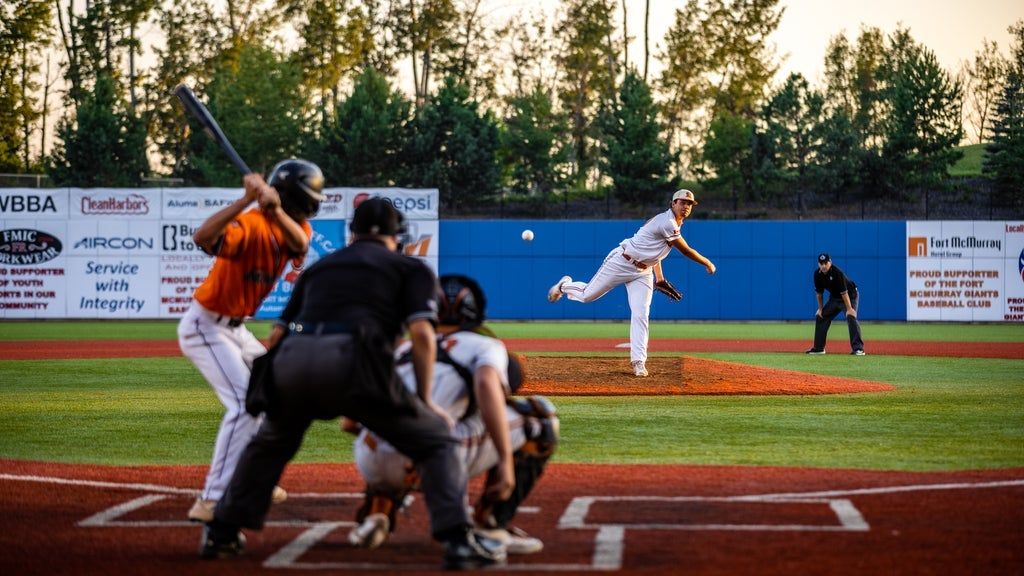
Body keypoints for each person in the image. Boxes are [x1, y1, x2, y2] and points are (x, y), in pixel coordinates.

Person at [198, 199, 506, 570]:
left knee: (270, 444)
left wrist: (277, 389)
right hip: (355, 362)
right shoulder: (410, 267)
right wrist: (424, 400)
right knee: (436, 441)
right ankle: (458, 541)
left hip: (293, 361)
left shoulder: (321, 268)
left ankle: (222, 532)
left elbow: (279, 335)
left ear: (352, 233)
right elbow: (423, 335)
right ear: (397, 235)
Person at [345, 274, 558, 555]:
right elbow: (485, 385)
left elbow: (349, 422)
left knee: (399, 430)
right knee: (540, 418)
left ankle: (379, 508)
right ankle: (490, 522)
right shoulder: (483, 345)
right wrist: (505, 462)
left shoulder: (406, 349)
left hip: (368, 456)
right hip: (429, 461)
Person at [178, 159, 322, 522]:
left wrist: (273, 209)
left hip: (236, 329)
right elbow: (202, 238)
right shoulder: (250, 224)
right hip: (205, 326)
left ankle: (255, 477)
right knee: (244, 405)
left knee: (275, 392)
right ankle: (210, 499)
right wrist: (245, 201)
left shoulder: (294, 227)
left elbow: (299, 242)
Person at [546, 188, 716, 377]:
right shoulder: (667, 222)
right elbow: (686, 251)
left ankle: (638, 362)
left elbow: (655, 252)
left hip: (643, 272)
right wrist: (707, 262)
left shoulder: (671, 223)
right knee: (587, 296)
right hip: (622, 261)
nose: (686, 206)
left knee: (641, 314)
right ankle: (563, 285)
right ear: (673, 203)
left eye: (689, 204)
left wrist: (659, 277)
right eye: (682, 202)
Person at [805, 252, 866, 356]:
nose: (823, 265)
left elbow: (844, 293)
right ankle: (819, 348)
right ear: (818, 264)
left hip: (850, 295)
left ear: (830, 262)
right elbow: (819, 294)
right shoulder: (817, 274)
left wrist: (849, 309)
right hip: (835, 298)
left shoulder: (837, 273)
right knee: (821, 316)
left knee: (851, 316)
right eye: (821, 263)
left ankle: (858, 349)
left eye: (826, 263)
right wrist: (820, 309)